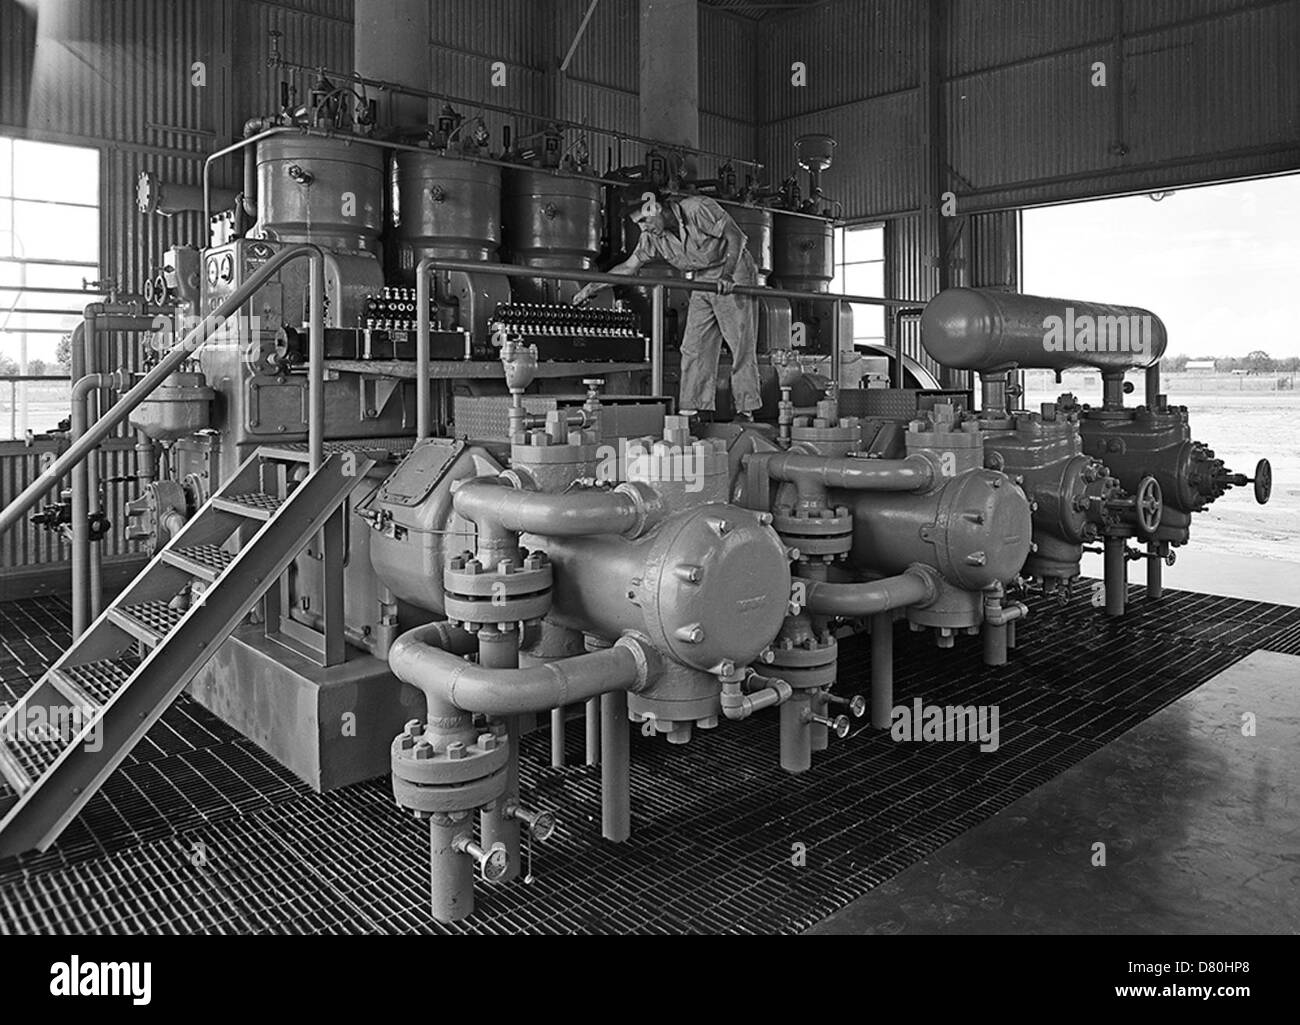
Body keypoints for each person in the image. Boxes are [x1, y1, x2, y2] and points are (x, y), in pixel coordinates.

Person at [573, 191, 761, 419]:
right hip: (702, 277)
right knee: (693, 344)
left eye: (643, 220)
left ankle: (746, 410)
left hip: (733, 269)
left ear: (657, 207)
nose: (643, 229)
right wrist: (593, 286)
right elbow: (629, 267)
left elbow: (736, 237)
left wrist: (728, 274)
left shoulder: (697, 208)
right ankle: (692, 411)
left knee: (739, 343)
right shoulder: (652, 238)